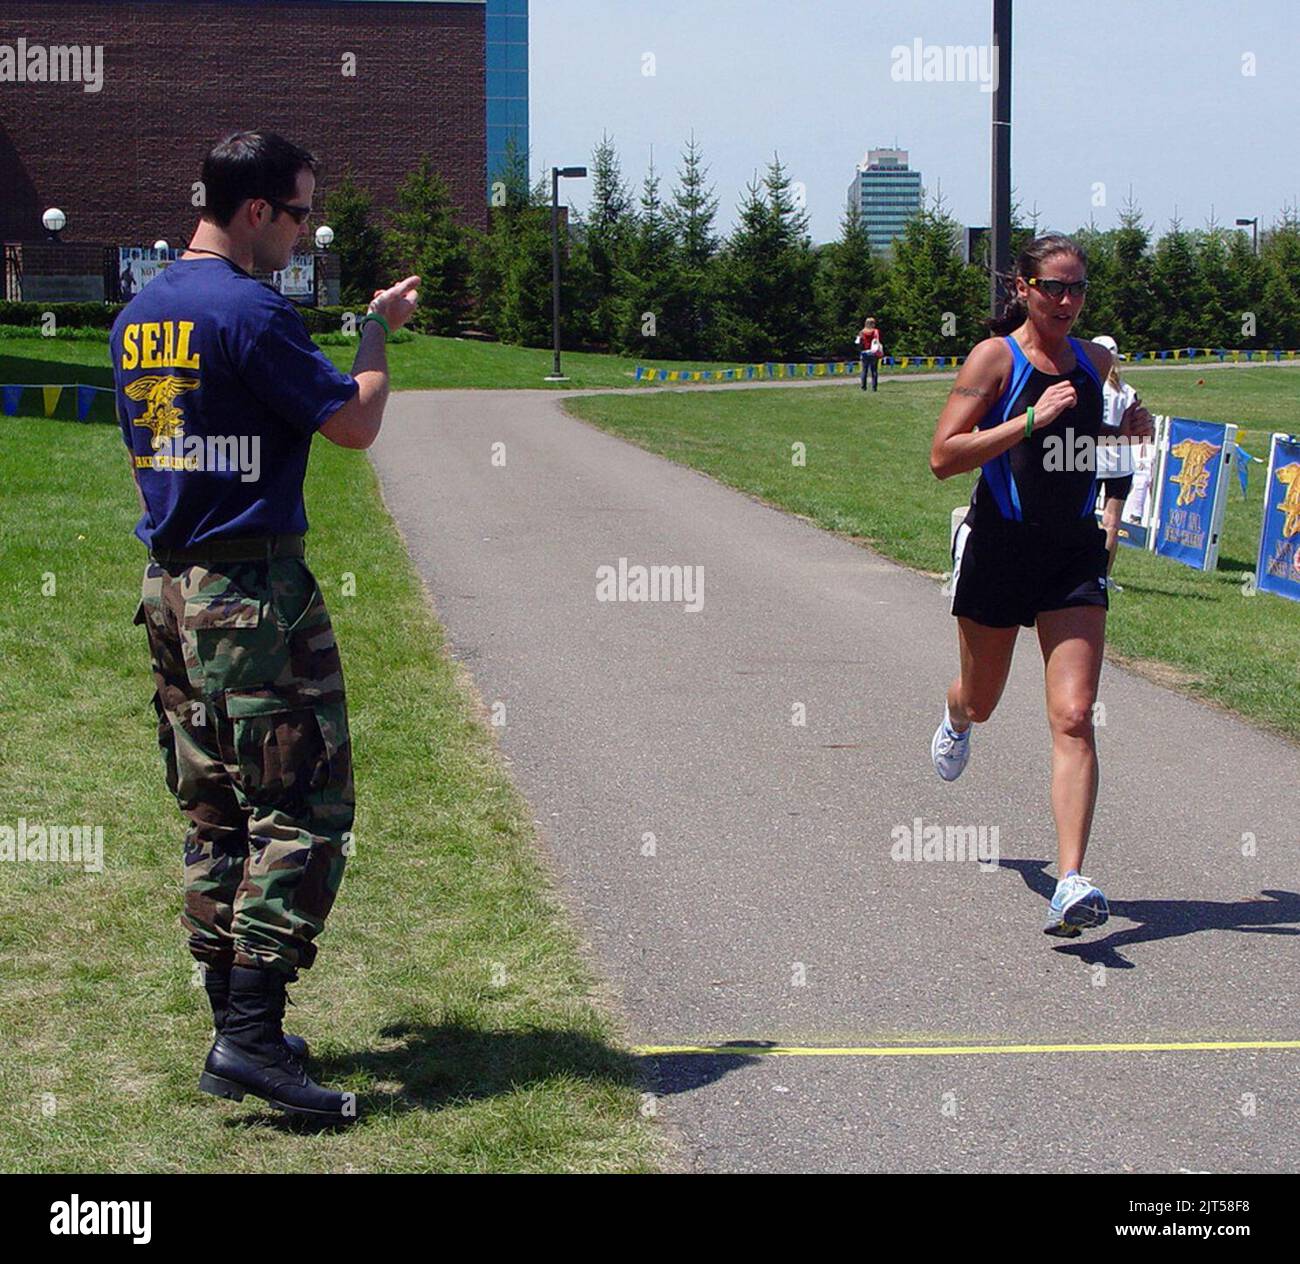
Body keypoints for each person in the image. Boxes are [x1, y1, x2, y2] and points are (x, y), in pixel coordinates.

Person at [111, 130, 419, 1121]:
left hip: (170, 587)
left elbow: (151, 452)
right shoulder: (250, 310)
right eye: (299, 215)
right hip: (250, 594)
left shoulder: (140, 312)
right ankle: (250, 1037)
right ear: (254, 213)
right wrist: (376, 330)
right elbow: (354, 422)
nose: (303, 232)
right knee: (303, 810)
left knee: (214, 810)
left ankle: (231, 1026)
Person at [927, 234, 1153, 937]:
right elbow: (942, 457)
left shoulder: (1097, 361)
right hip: (999, 551)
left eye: (1077, 288)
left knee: (1075, 714)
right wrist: (1028, 416)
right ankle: (956, 718)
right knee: (983, 700)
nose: (1065, 300)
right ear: (1023, 288)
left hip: (1071, 559)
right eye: (1052, 286)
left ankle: (1071, 879)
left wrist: (1130, 434)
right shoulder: (995, 360)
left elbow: (1075, 451)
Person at [1090, 334, 1149, 592]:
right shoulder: (1128, 391)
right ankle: (1103, 575)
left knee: (1082, 516)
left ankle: (1083, 570)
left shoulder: (1090, 387)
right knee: (1112, 521)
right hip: (1121, 462)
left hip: (1087, 459)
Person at [856, 316, 883, 391]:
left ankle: (863, 387)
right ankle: (874, 387)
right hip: (873, 352)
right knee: (874, 370)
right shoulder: (875, 331)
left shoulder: (861, 332)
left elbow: (858, 342)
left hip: (864, 352)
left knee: (864, 370)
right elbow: (877, 340)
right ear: (873, 323)